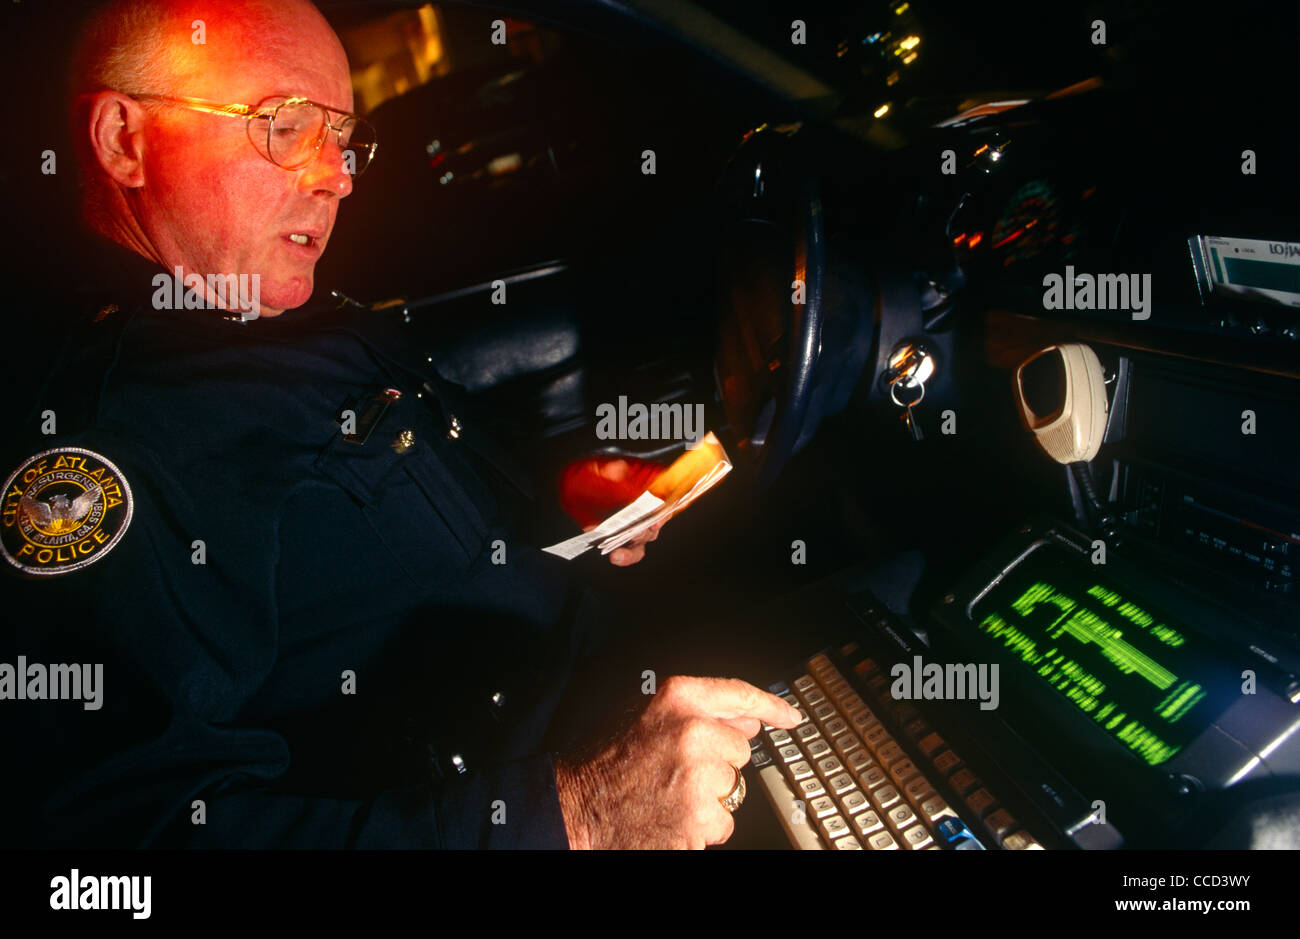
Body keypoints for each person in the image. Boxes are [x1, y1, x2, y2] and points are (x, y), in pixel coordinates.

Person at [0, 0, 799, 850]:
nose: (337, 175)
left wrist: (557, 507)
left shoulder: (284, 319)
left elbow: (387, 525)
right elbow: (125, 848)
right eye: (286, 126)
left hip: (625, 690)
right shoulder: (108, 441)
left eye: (343, 138)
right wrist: (580, 815)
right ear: (125, 139)